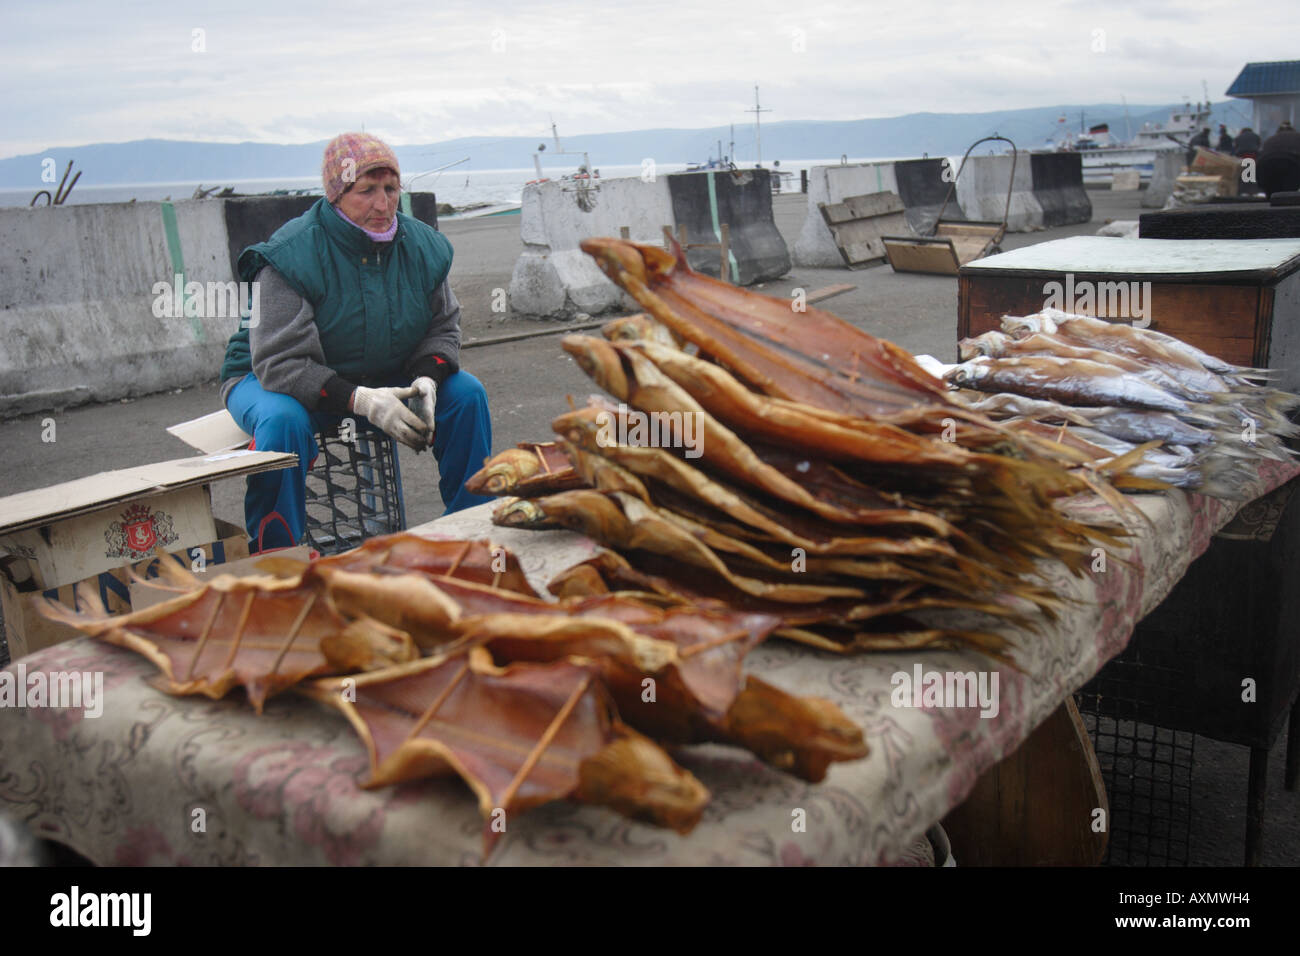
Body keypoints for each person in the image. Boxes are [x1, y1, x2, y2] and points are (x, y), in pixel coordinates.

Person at [219, 132, 493, 551]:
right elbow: (282, 365)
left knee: (467, 395)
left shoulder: (422, 248)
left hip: (382, 373)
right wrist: (362, 401)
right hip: (271, 379)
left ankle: (471, 532)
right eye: (366, 191)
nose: (383, 205)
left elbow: (443, 328)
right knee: (282, 424)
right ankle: (274, 559)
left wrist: (426, 379)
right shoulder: (290, 255)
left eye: (391, 189)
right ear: (336, 195)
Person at [1257, 121, 1300, 197]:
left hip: (1266, 167)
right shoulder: (1297, 137)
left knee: (1271, 195)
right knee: (1289, 195)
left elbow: (1261, 156)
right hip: (1292, 165)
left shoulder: (1270, 139)